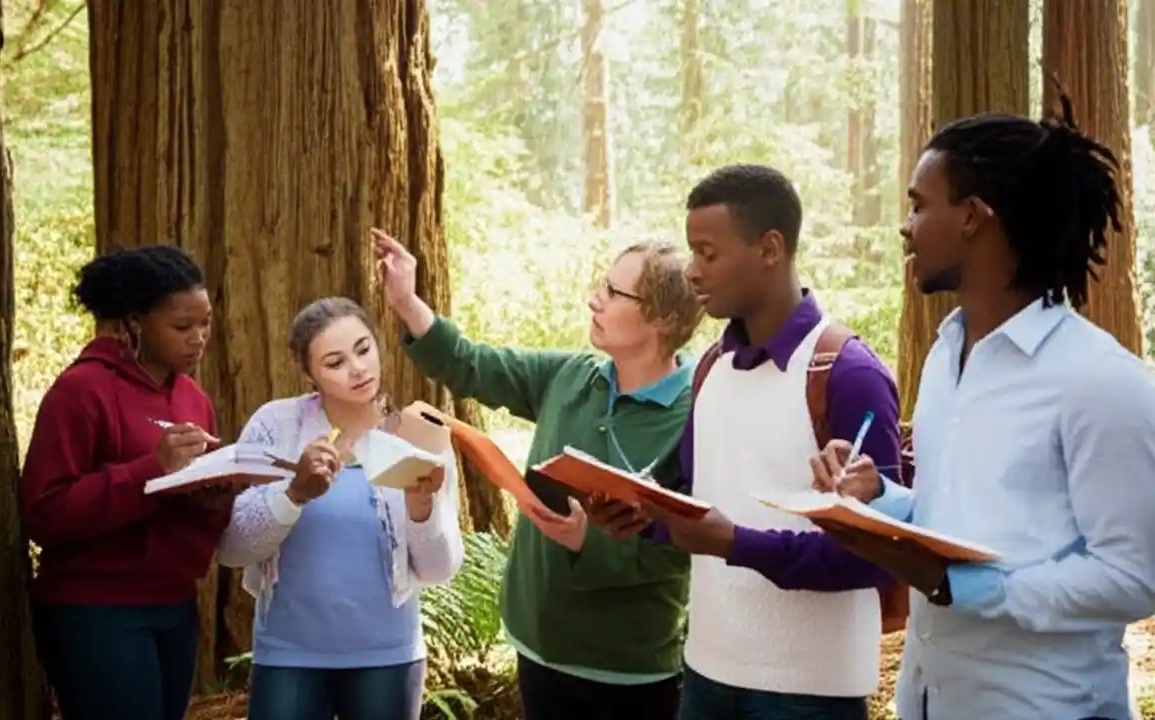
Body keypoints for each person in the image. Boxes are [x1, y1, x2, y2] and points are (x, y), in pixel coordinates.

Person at [810, 98, 1155, 719]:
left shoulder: (1100, 382)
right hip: (929, 699)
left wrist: (966, 589)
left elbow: (1136, 576)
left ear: (972, 217)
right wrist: (878, 499)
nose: (905, 226)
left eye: (919, 205)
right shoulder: (947, 356)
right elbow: (968, 518)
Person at [588, 164, 902, 719]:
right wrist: (642, 519)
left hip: (810, 696)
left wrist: (734, 543)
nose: (691, 272)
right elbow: (697, 503)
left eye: (707, 254)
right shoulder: (711, 367)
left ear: (770, 249)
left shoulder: (847, 372)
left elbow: (881, 556)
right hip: (706, 675)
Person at [374, 228, 703, 720]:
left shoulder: (697, 412)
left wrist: (587, 542)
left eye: (613, 292)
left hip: (629, 669)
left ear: (664, 317)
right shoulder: (572, 376)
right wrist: (406, 301)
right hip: (537, 650)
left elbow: (692, 545)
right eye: (602, 284)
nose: (595, 298)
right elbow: (473, 365)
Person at [218, 296, 464, 720]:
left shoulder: (420, 436)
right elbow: (234, 548)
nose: (358, 369)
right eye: (334, 362)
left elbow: (441, 569)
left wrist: (421, 508)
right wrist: (294, 493)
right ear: (309, 372)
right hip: (288, 655)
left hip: (388, 657)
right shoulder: (275, 427)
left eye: (364, 349)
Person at [21, 245, 230, 720]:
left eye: (205, 323)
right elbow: (44, 512)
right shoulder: (81, 391)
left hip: (175, 605)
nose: (198, 338)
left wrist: (212, 498)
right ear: (135, 322)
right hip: (97, 608)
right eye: (181, 327)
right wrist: (151, 471)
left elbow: (182, 507)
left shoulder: (193, 399)